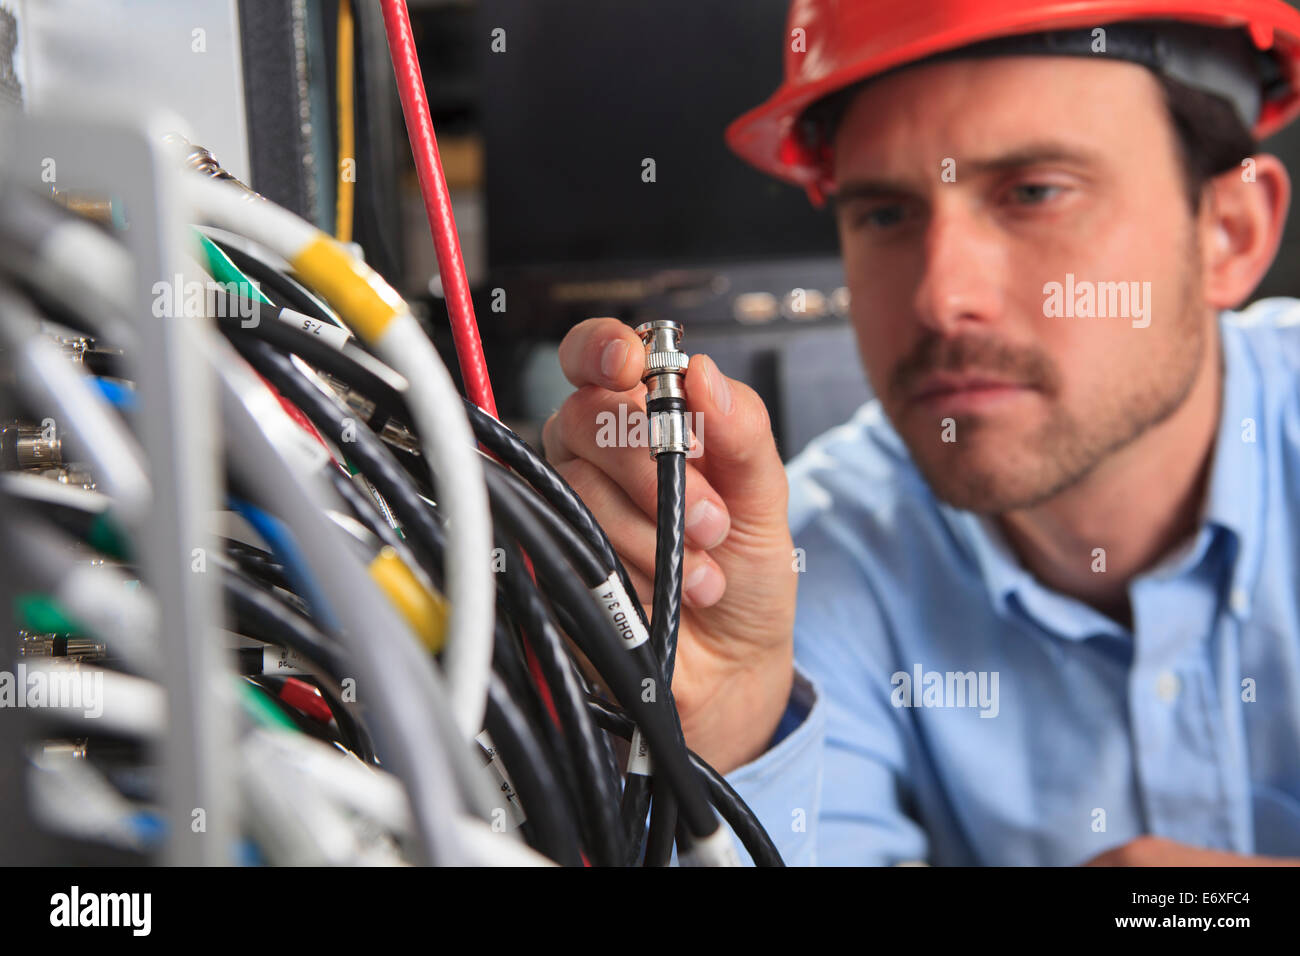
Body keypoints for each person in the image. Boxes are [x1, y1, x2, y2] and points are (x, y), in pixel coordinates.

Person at [541, 0, 1300, 865]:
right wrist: (729, 748)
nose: (941, 298)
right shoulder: (784, 577)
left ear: (1231, 234)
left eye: (1033, 193)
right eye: (887, 215)